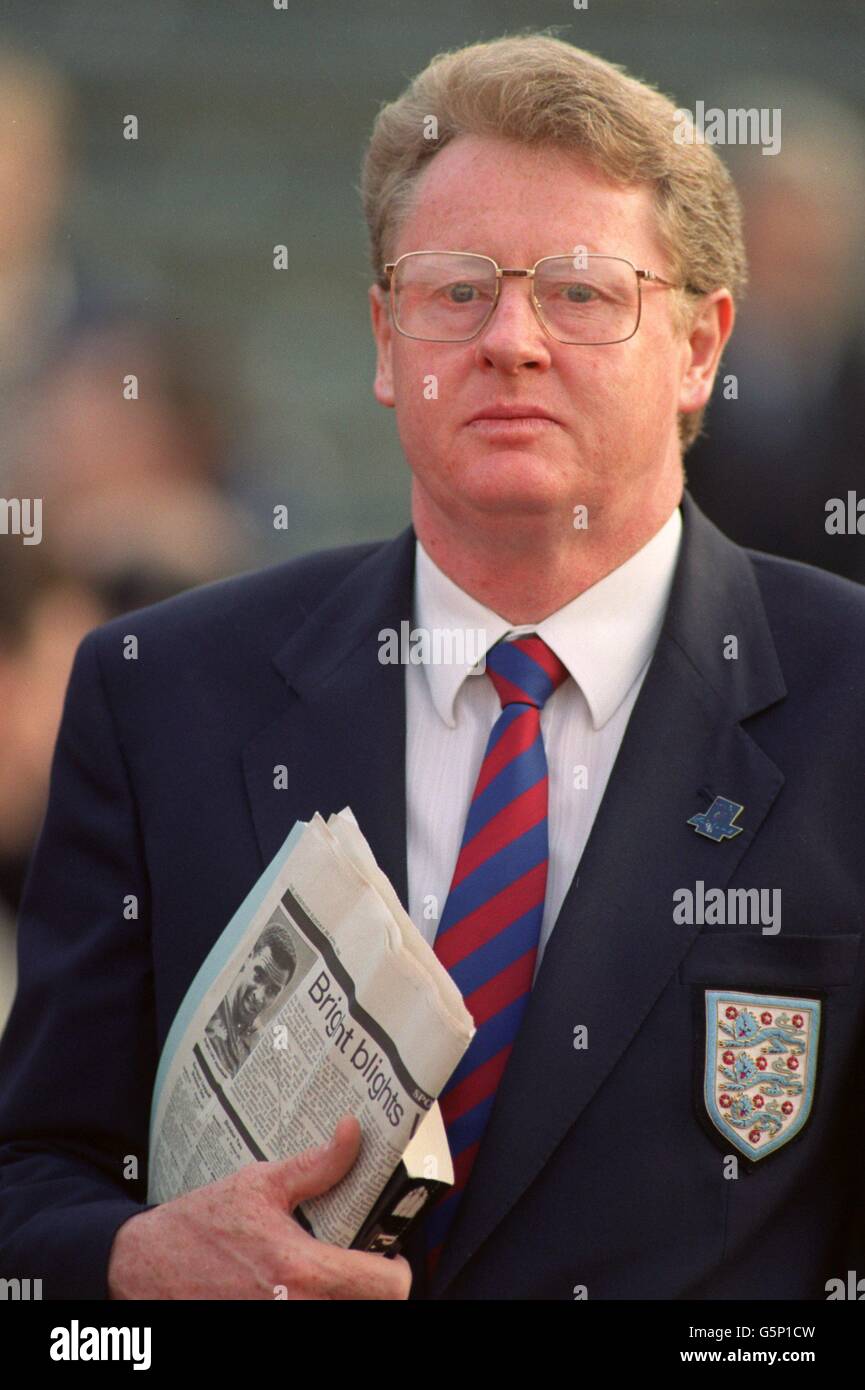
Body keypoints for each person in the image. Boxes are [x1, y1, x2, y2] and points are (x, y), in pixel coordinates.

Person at [1, 33, 864, 1301]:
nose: (510, 339)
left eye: (579, 291)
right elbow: (30, 1182)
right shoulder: (161, 691)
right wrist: (133, 1268)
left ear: (698, 346)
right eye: (455, 289)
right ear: (383, 335)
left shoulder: (847, 704)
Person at [204, 919, 298, 1078]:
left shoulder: (262, 1042)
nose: (259, 996)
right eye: (258, 976)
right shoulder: (209, 998)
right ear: (249, 957)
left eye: (272, 991)